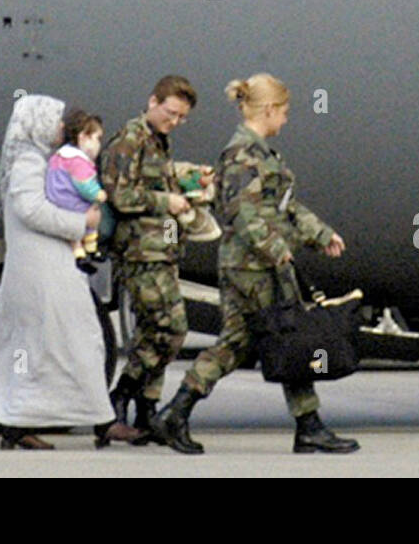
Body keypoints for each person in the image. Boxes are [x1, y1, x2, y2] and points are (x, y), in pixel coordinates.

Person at [151, 74, 360, 455]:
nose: (286, 119)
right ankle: (306, 425)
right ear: (268, 110)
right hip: (253, 269)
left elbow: (284, 206)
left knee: (255, 341)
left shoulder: (258, 154)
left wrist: (320, 234)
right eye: (284, 111)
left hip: (254, 265)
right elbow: (243, 215)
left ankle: (177, 412)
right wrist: (275, 249)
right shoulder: (243, 156)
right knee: (284, 336)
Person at [0, 95, 143, 449]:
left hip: (49, 267)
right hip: (42, 272)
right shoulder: (28, 164)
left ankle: (82, 420)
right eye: (55, 120)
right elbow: (32, 211)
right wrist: (83, 222)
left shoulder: (38, 160)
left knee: (69, 343)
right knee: (62, 344)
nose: (62, 127)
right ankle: (35, 423)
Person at [100, 75, 210, 439]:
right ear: (152, 102)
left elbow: (159, 184)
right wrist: (168, 202)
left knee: (151, 330)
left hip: (160, 250)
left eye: (181, 117)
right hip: (140, 253)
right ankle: (120, 398)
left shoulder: (157, 142)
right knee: (172, 329)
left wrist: (193, 183)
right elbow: (119, 195)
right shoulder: (128, 141)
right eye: (171, 113)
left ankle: (145, 411)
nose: (174, 121)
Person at [45, 108, 108, 272]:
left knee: (77, 232)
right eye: (97, 138)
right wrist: (99, 194)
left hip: (57, 200)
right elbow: (85, 184)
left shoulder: (58, 157)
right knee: (94, 216)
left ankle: (79, 251)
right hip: (72, 203)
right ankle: (89, 249)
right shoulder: (78, 161)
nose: (98, 144)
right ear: (83, 136)